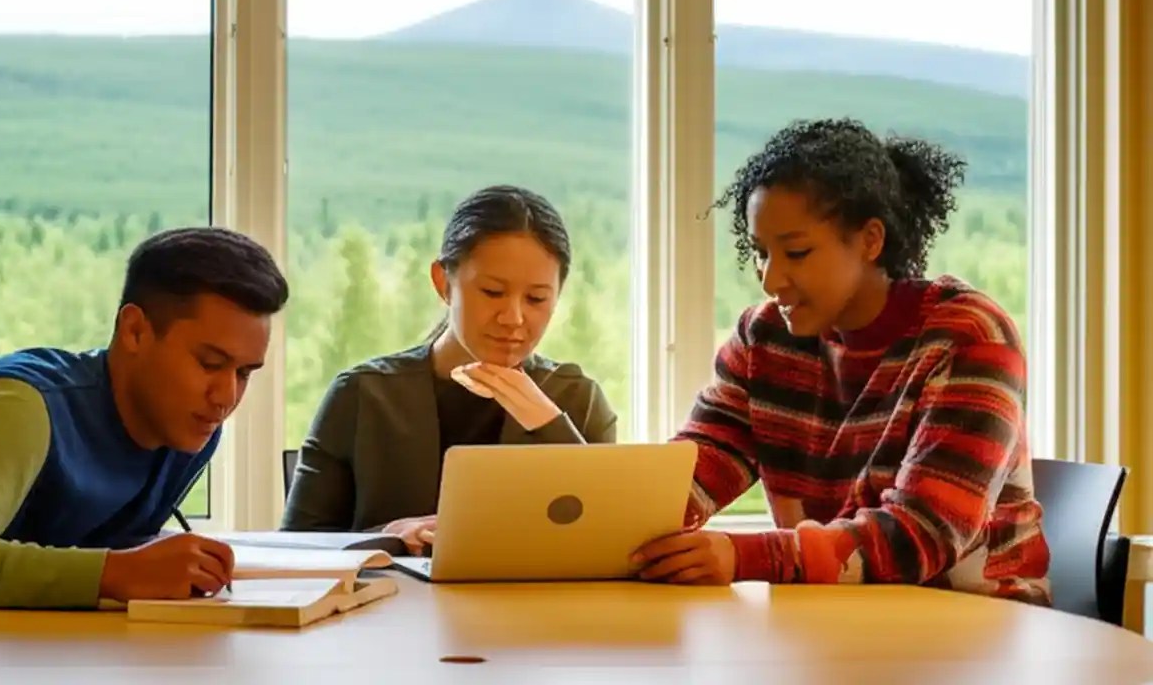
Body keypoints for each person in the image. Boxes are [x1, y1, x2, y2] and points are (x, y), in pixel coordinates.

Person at [633, 118, 1050, 605]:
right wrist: (617, 518)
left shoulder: (969, 338)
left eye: (796, 252)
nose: (770, 279)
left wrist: (741, 555)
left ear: (871, 240)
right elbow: (702, 462)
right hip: (841, 619)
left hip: (983, 628)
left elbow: (924, 533)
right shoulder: (764, 338)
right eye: (760, 253)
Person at [0, 226, 289, 609]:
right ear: (134, 331)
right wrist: (115, 572)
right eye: (209, 363)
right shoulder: (27, 406)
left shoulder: (188, 429)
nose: (226, 397)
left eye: (244, 373)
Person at [282, 185, 617, 551]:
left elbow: (607, 541)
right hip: (393, 606)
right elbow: (299, 549)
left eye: (536, 298)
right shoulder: (363, 394)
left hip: (535, 609)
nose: (514, 318)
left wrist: (549, 424)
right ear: (444, 283)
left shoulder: (577, 397)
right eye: (492, 292)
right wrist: (386, 537)